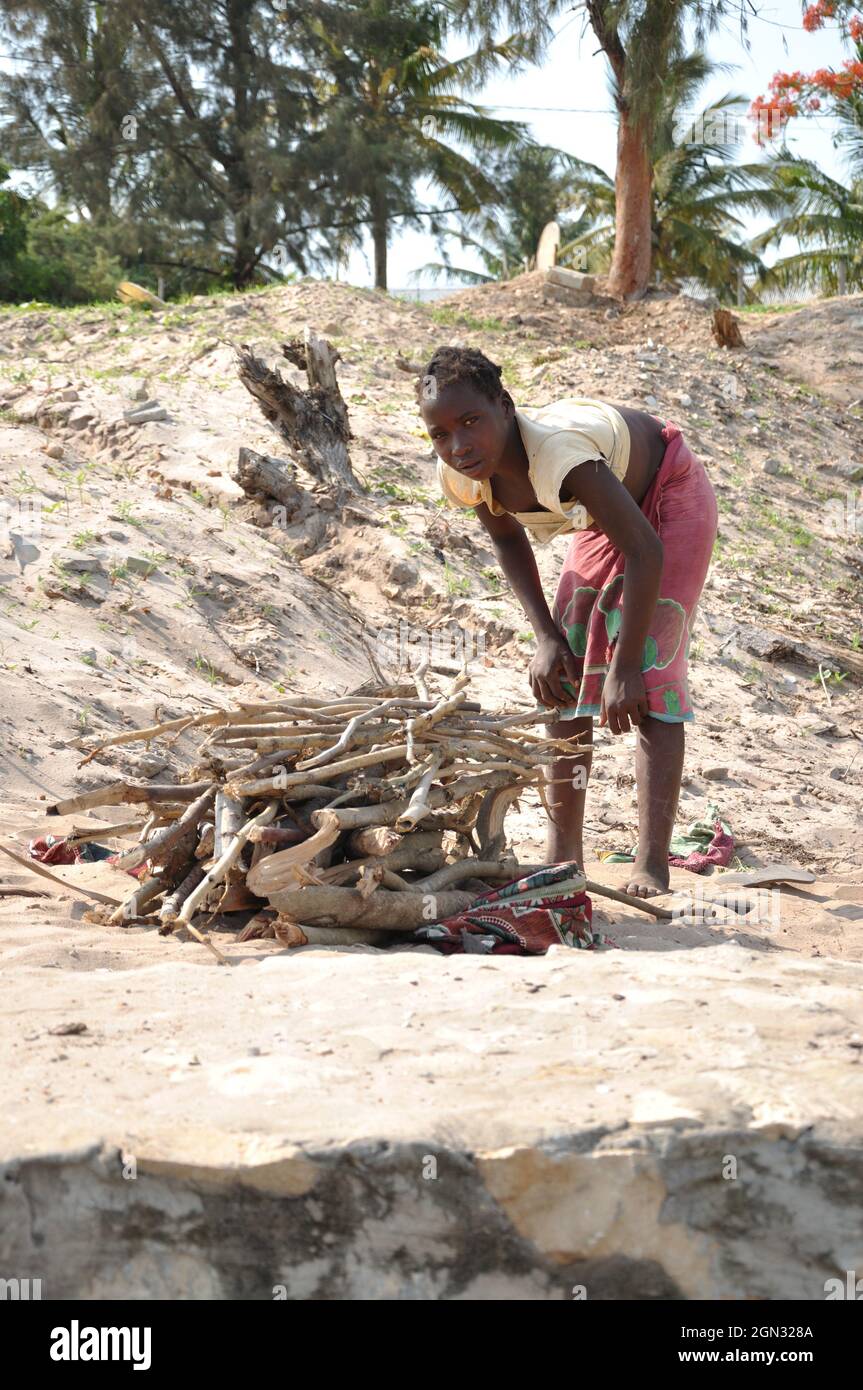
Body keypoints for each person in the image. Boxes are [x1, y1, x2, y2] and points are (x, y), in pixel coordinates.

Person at [416, 344, 718, 898]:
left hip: (668, 491)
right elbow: (507, 539)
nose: (457, 445)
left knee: (651, 664)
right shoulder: (465, 473)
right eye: (440, 434)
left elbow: (646, 551)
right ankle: (564, 856)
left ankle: (651, 864)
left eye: (470, 422)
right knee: (563, 669)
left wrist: (625, 666)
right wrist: (546, 638)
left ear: (505, 407)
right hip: (605, 512)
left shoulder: (558, 457)